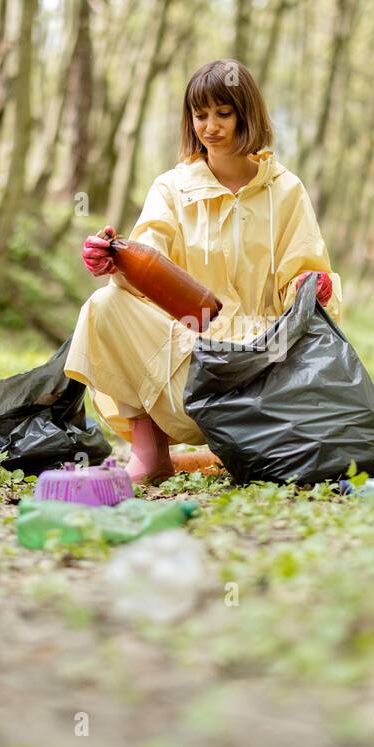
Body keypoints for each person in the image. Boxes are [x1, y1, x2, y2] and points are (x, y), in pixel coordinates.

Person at [65, 59, 342, 484]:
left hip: (262, 363)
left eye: (223, 114)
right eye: (200, 115)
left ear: (246, 116)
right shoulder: (172, 188)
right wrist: (115, 261)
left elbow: (304, 277)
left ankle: (245, 447)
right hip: (191, 355)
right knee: (105, 304)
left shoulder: (286, 190)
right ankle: (150, 453)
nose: (210, 127)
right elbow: (147, 266)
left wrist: (315, 287)